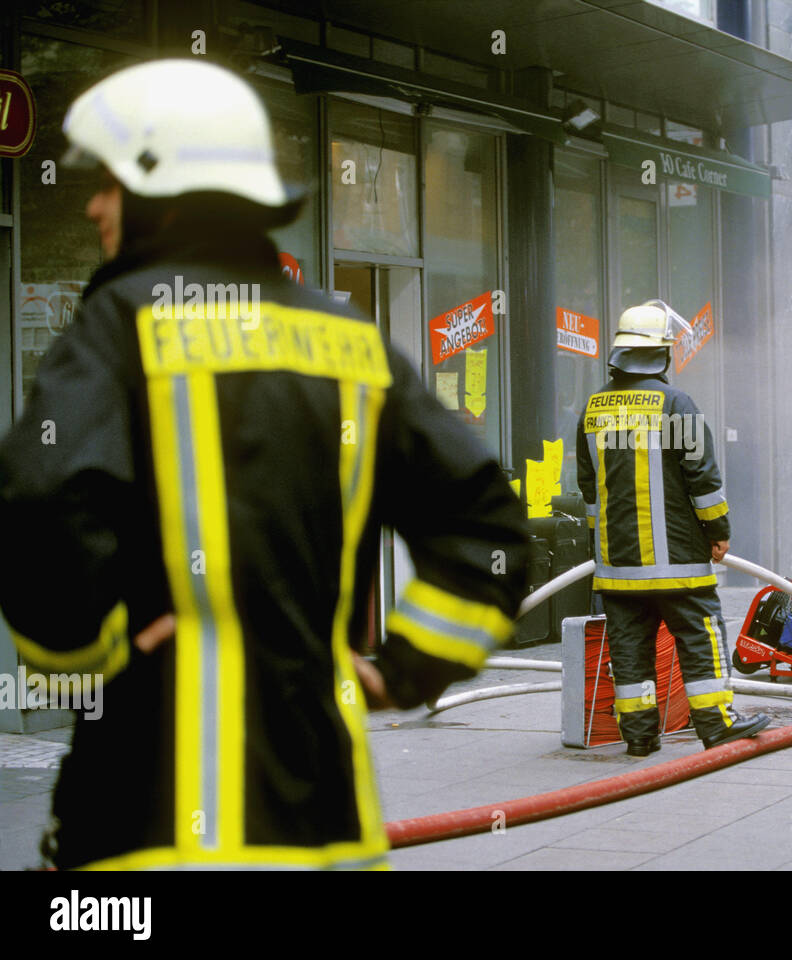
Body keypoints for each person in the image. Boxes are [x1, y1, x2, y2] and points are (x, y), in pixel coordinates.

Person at [0, 59, 528, 869]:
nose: (92, 203)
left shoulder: (120, 323)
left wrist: (93, 655)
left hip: (144, 819)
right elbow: (487, 526)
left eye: (106, 182)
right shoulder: (351, 344)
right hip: (328, 824)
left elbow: (40, 503)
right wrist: (405, 669)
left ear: (159, 189)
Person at [576, 301, 769, 756]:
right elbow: (701, 477)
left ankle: (639, 736)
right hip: (678, 563)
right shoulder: (674, 403)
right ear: (662, 353)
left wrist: (601, 544)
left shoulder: (594, 407)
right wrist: (717, 530)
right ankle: (717, 724)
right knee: (701, 637)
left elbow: (589, 488)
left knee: (629, 647)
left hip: (618, 565)